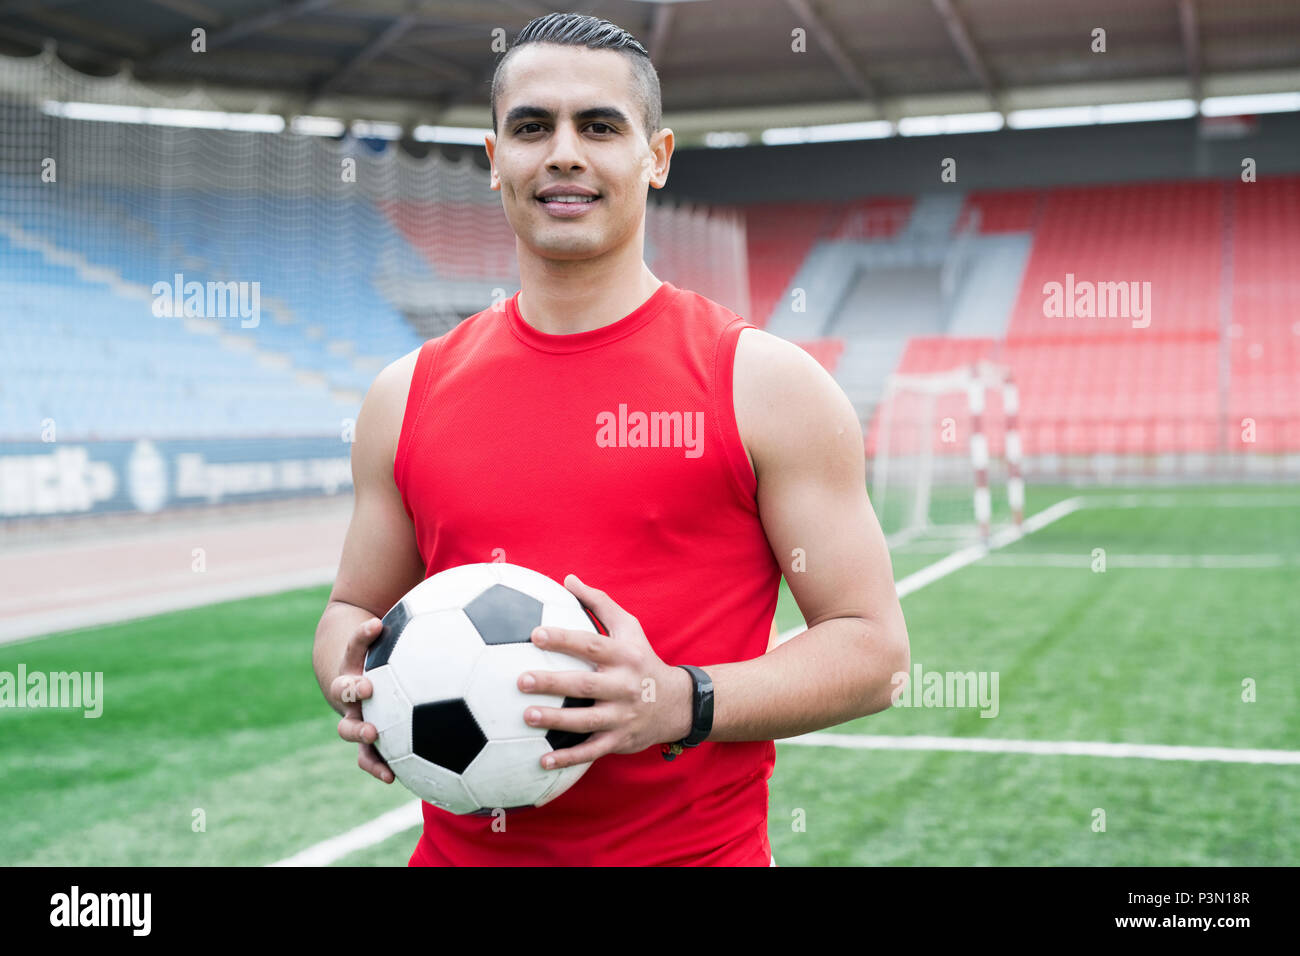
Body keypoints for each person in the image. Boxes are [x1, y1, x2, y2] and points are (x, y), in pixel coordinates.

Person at [313, 11, 909, 866]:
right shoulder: (404, 394)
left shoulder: (765, 384)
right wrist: (356, 680)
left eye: (599, 126)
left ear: (655, 156)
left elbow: (874, 648)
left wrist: (679, 700)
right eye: (531, 127)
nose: (563, 152)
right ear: (494, 162)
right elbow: (349, 612)